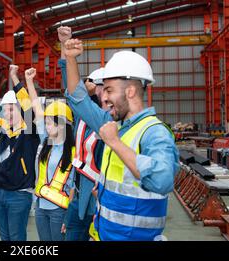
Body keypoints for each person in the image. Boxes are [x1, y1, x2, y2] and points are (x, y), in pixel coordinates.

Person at [64, 38, 180, 241]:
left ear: (130, 91)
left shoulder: (154, 132)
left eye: (109, 91)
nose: (104, 98)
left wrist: (115, 143)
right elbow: (79, 100)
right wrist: (71, 59)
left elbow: (162, 180)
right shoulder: (113, 124)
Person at [0, 65, 40, 241]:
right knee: (5, 237)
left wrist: (15, 77)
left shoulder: (29, 131)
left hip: (19, 195)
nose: (8, 113)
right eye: (5, 110)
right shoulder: (4, 130)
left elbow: (29, 108)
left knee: (16, 238)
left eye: (13, 109)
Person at [56, 26, 105, 241]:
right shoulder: (83, 117)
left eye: (92, 82)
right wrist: (64, 46)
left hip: (99, 199)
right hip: (78, 196)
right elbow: (70, 85)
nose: (87, 84)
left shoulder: (111, 121)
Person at [23, 67, 76, 241]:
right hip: (40, 207)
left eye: (49, 123)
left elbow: (73, 187)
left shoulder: (73, 152)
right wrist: (29, 82)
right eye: (45, 123)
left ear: (61, 124)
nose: (46, 126)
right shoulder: (46, 142)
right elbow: (37, 108)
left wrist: (68, 217)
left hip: (60, 210)